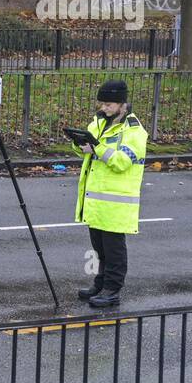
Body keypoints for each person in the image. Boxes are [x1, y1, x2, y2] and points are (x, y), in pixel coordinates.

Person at [72, 79, 148, 308]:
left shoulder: (133, 130)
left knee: (114, 251)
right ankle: (100, 284)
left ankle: (112, 290)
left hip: (116, 201)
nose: (104, 108)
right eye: (102, 103)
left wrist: (97, 147)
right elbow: (87, 150)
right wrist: (79, 144)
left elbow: (122, 161)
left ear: (122, 103)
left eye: (109, 104)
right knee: (99, 249)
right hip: (95, 199)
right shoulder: (99, 121)